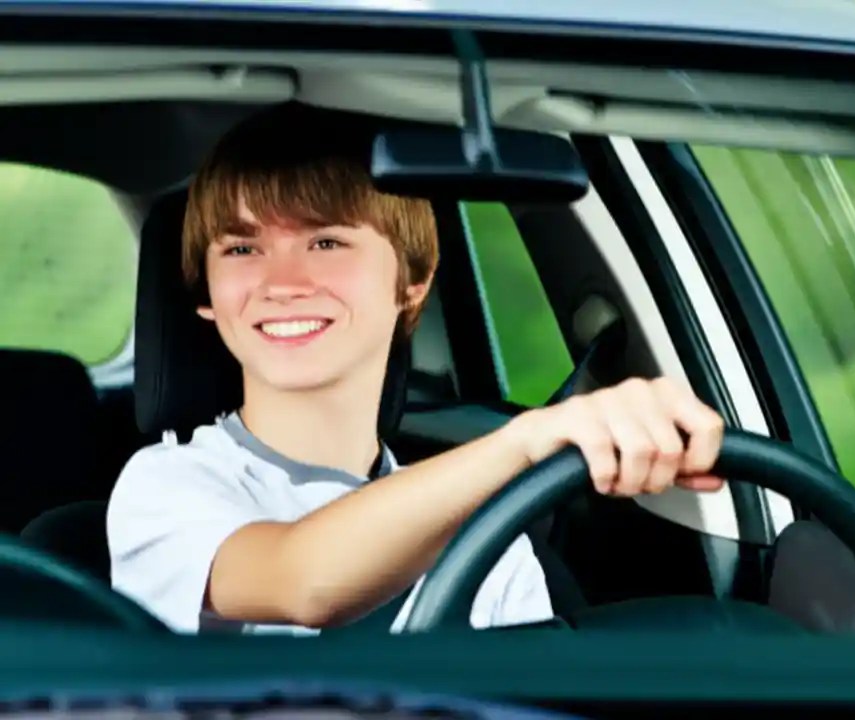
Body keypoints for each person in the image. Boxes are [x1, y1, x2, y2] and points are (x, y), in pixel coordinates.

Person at [106, 104, 727, 635]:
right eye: (242, 249)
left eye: (326, 242)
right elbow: (304, 583)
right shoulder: (167, 487)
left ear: (413, 283)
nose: (283, 284)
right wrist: (528, 441)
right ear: (206, 295)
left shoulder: (492, 539)